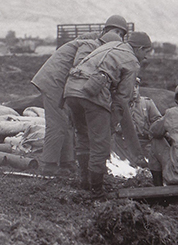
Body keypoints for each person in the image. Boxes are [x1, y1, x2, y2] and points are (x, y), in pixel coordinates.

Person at [30, 15, 130, 177]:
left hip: (64, 84)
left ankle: (67, 164)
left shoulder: (97, 45)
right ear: (105, 31)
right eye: (115, 31)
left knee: (68, 124)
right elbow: (80, 68)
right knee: (57, 125)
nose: (118, 35)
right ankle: (48, 167)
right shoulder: (92, 44)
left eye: (121, 33)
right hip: (55, 81)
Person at [62, 30, 153, 198]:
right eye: (147, 51)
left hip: (71, 90)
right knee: (100, 143)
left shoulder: (111, 45)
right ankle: (96, 191)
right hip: (91, 94)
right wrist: (111, 124)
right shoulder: (132, 62)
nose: (147, 56)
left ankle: (84, 182)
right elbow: (122, 99)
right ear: (139, 48)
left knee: (83, 136)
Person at [113, 78, 163, 184]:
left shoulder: (147, 103)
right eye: (131, 87)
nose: (135, 90)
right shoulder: (118, 105)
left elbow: (158, 122)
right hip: (125, 144)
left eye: (136, 86)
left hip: (145, 142)